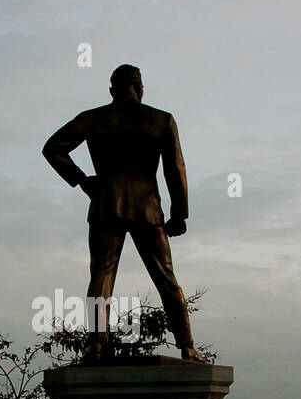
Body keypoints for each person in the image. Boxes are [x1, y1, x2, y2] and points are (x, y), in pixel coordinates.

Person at [42, 64, 207, 363]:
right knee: (166, 277)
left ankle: (95, 344)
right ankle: (187, 346)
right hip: (148, 209)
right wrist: (179, 213)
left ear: (112, 91)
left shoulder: (94, 118)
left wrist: (82, 180)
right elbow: (175, 169)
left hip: (106, 205)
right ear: (140, 89)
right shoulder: (161, 120)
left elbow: (52, 148)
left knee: (101, 275)